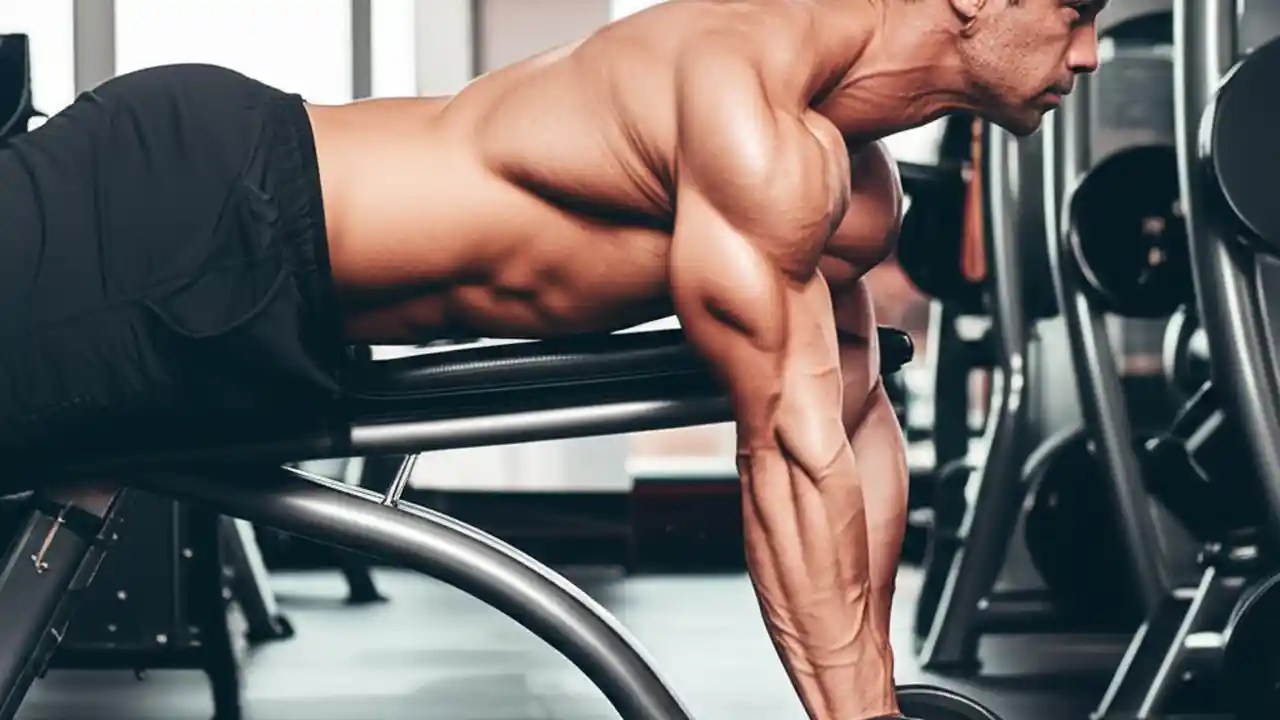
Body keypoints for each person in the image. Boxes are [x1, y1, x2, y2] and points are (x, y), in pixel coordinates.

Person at [0, 0, 1105, 717]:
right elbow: (788, 449)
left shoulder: (851, 179)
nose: (1087, 54)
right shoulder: (751, 114)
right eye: (1073, 15)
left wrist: (875, 699)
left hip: (250, 252)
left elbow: (851, 422)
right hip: (198, 222)